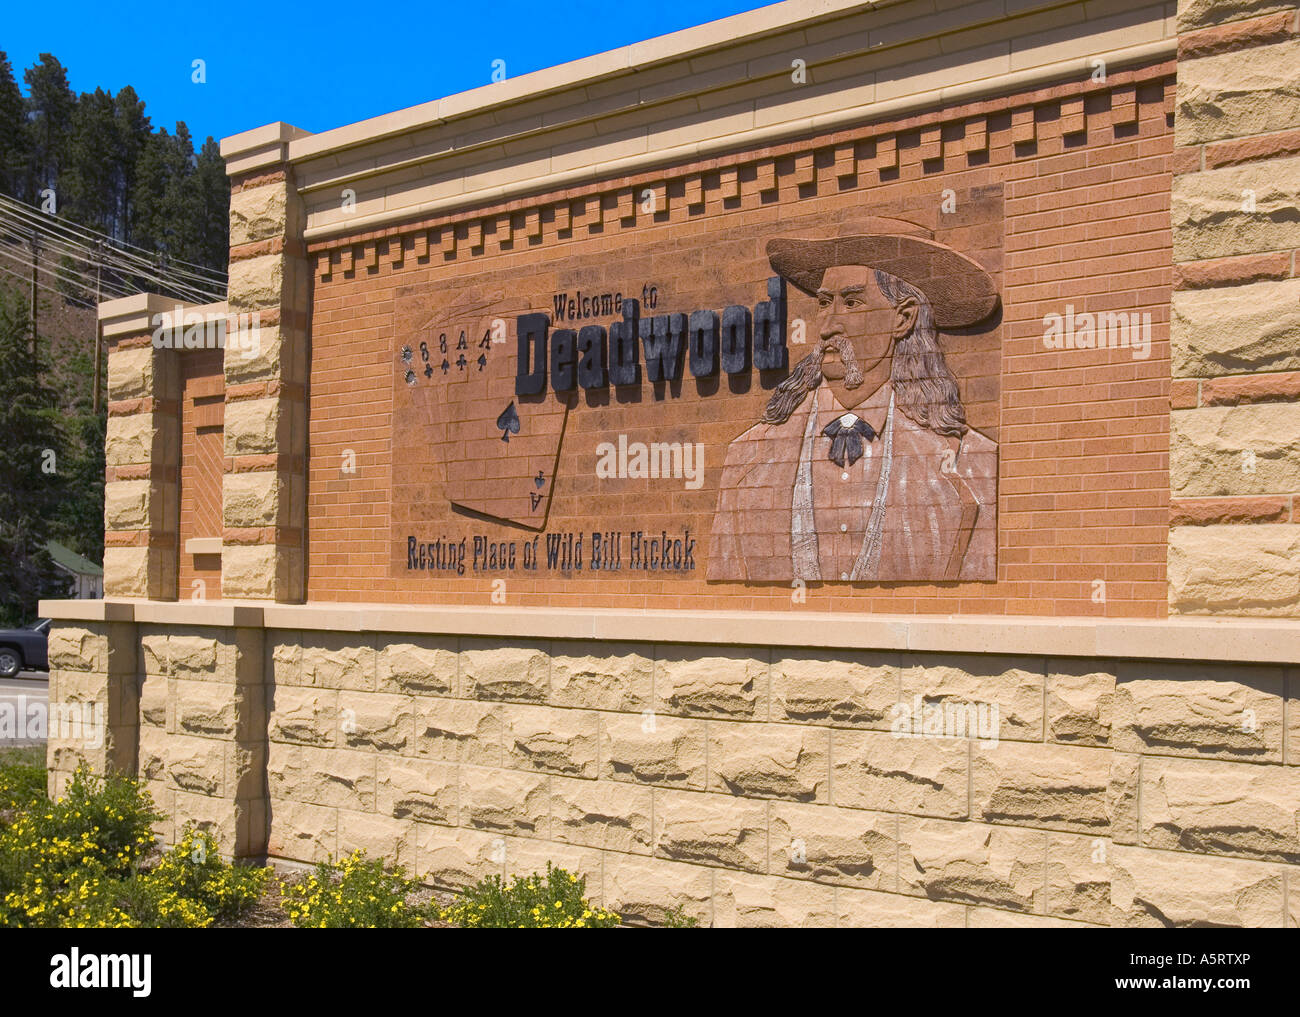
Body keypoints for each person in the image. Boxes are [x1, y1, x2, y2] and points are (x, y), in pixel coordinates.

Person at [708, 217, 999, 582]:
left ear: (903, 318)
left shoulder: (973, 462)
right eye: (824, 303)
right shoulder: (747, 458)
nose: (828, 325)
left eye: (851, 303)